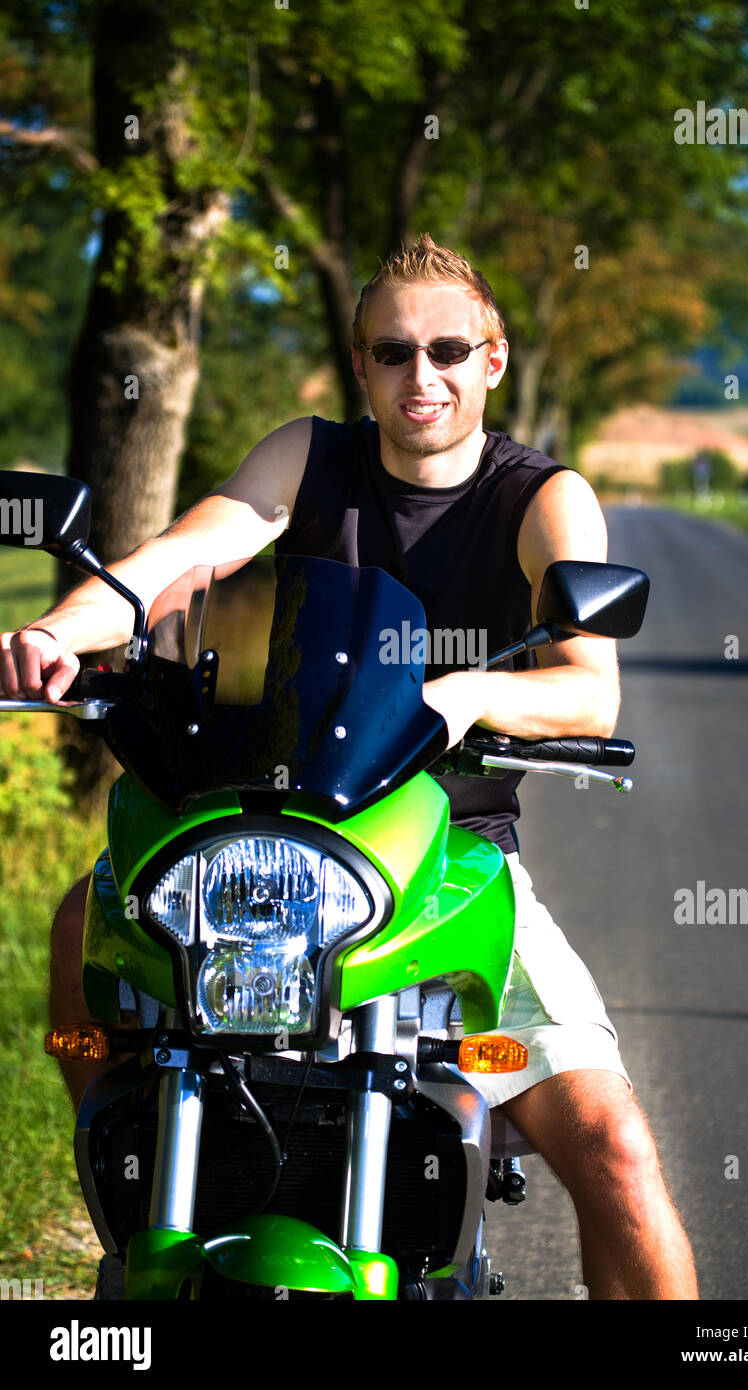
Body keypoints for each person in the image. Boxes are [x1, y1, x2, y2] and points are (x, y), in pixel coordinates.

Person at [0, 234, 698, 1300]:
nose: (423, 376)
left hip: (446, 855)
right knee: (77, 926)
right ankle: (137, 1183)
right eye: (393, 352)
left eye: (449, 351)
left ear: (493, 359)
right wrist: (61, 629)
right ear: (362, 364)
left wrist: (460, 695)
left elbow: (585, 688)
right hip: (271, 829)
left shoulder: (539, 498)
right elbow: (179, 558)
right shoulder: (311, 457)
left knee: (609, 1146)